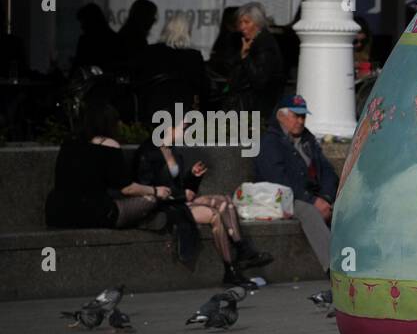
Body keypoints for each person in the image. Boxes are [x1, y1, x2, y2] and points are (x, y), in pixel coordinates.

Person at [132, 123, 273, 286]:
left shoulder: (173, 151)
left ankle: (242, 249)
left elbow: (180, 186)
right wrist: (180, 195)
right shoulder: (147, 152)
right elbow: (147, 188)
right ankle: (230, 270)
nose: (187, 132)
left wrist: (193, 177)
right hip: (162, 207)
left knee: (225, 202)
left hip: (177, 201)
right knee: (214, 215)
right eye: (183, 128)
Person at [255, 94, 337, 273]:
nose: (300, 121)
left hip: (313, 195)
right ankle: (334, 267)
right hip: (282, 197)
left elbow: (328, 171)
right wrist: (312, 200)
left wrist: (326, 197)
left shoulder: (308, 140)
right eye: (296, 116)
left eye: (303, 116)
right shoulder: (270, 142)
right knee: (308, 212)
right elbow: (277, 180)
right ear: (281, 116)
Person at [44, 103, 161, 230]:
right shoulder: (108, 144)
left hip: (56, 213)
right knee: (151, 200)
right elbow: (127, 188)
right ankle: (142, 222)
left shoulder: (69, 142)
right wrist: (155, 191)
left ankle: (141, 222)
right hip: (93, 214)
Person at [133, 15, 207, 125]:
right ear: (188, 32)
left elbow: (138, 83)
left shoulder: (149, 53)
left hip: (152, 113)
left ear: (165, 30)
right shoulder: (194, 57)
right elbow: (202, 88)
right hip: (185, 114)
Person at [230, 2, 284, 131]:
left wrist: (245, 58)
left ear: (258, 23)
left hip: (258, 110)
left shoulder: (264, 45)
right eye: (240, 23)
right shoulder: (251, 43)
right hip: (250, 109)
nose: (242, 27)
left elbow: (259, 79)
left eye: (247, 22)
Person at [72, 4, 123, 73]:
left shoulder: (85, 41)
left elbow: (79, 66)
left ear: (89, 22)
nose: (82, 27)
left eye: (83, 22)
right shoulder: (115, 39)